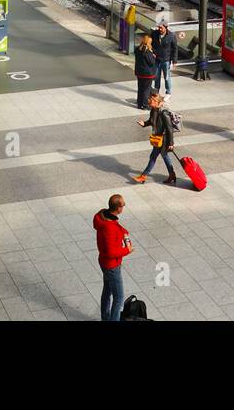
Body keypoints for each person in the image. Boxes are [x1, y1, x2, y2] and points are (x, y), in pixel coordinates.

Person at [93, 194, 133, 322]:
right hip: (111, 265)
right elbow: (111, 252)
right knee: (119, 298)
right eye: (123, 205)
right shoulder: (109, 227)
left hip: (104, 261)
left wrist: (123, 232)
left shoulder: (102, 215)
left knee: (107, 290)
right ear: (118, 208)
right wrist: (127, 250)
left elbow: (116, 226)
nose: (124, 206)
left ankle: (105, 318)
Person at [133, 90, 178, 184]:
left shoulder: (164, 113)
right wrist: (144, 124)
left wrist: (171, 143)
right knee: (164, 156)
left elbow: (169, 129)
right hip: (157, 138)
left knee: (153, 157)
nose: (149, 101)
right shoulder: (154, 110)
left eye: (151, 100)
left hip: (164, 139)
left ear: (156, 102)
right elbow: (151, 121)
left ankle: (143, 176)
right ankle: (171, 174)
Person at [151, 22, 177, 97]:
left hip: (166, 60)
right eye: (159, 27)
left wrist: (174, 60)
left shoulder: (171, 36)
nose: (159, 29)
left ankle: (168, 92)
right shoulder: (154, 34)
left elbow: (175, 48)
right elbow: (151, 44)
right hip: (157, 59)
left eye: (161, 28)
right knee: (156, 77)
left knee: (167, 77)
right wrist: (153, 52)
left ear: (166, 28)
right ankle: (156, 90)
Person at [133, 33, 158, 109]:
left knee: (140, 88)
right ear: (149, 43)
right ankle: (144, 104)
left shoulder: (137, 49)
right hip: (148, 74)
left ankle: (139, 103)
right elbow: (151, 63)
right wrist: (154, 57)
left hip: (139, 73)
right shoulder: (148, 52)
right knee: (146, 89)